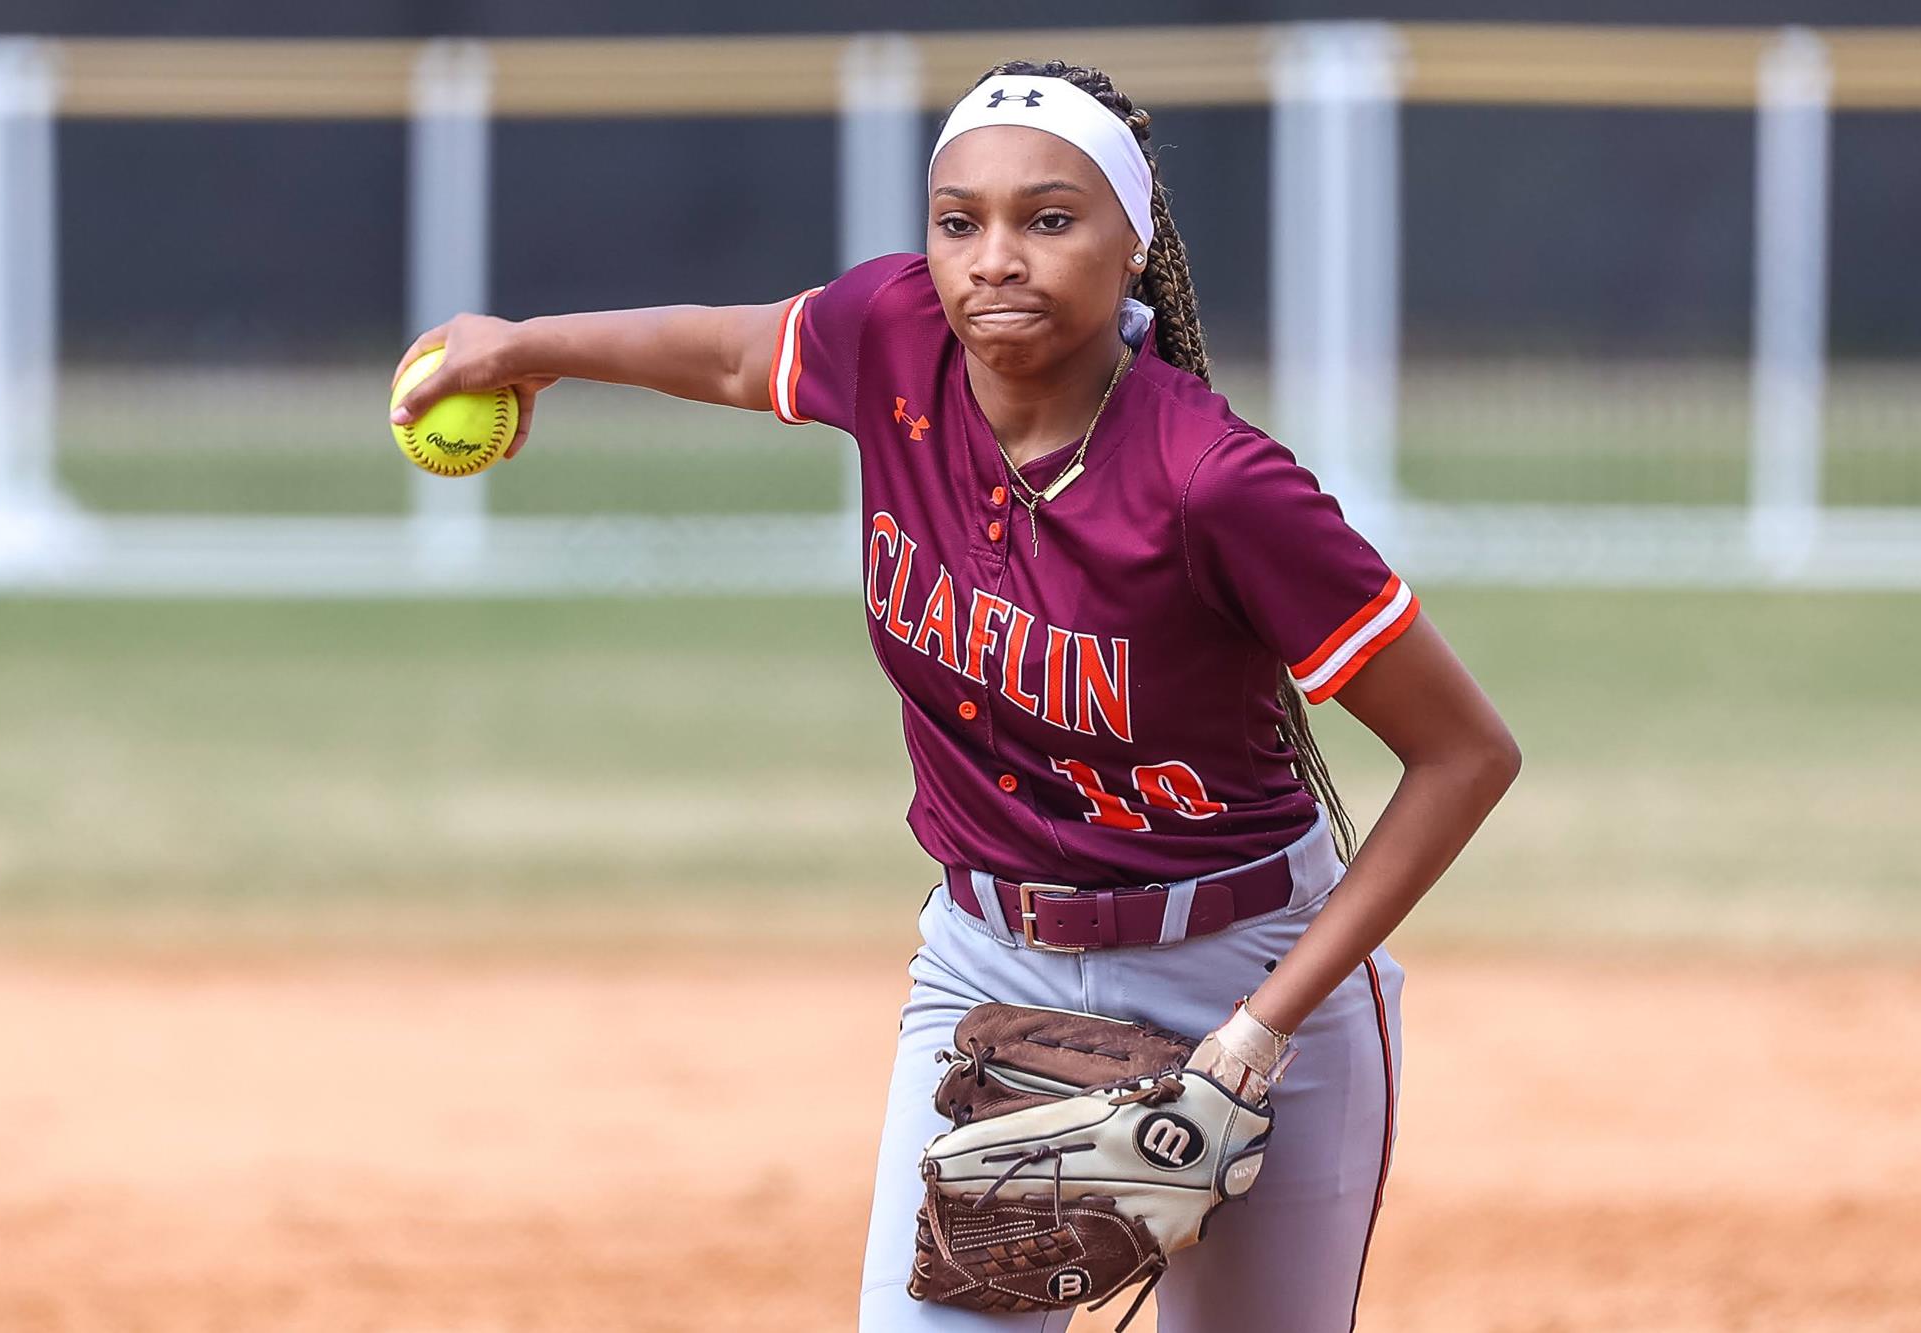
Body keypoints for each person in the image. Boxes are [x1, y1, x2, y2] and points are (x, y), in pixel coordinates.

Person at [391, 56, 1519, 1333]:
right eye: (956, 221)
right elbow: (724, 349)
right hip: (986, 965)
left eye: (1048, 218)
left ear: (1131, 245)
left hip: (1253, 973)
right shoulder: (892, 344)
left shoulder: (1214, 483)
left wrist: (1258, 1033)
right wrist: (525, 346)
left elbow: (1464, 755)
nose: (993, 257)